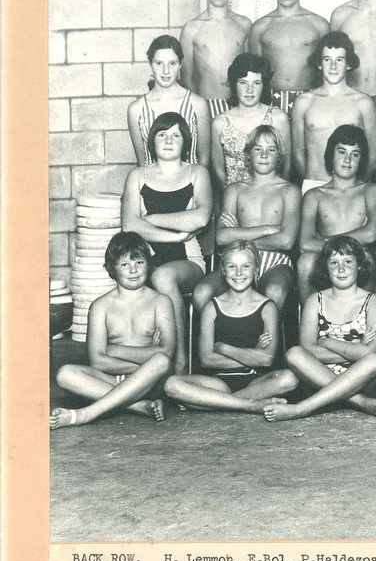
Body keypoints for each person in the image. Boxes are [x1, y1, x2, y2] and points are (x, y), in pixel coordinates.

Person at [50, 232, 173, 429]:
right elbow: (97, 361)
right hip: (113, 379)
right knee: (65, 374)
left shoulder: (161, 301)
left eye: (139, 262)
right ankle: (138, 406)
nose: (133, 270)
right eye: (125, 264)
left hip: (151, 383)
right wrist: (145, 360)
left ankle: (86, 414)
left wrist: (114, 350)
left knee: (161, 361)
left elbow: (166, 353)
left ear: (148, 265)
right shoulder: (100, 306)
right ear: (113, 267)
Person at [121, 112, 213, 374]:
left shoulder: (197, 173)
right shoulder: (138, 176)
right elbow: (129, 225)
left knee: (163, 277)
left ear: (186, 141)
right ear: (152, 141)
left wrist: (151, 219)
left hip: (187, 261)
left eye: (176, 135)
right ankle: (137, 365)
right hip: (146, 259)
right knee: (133, 274)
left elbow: (201, 216)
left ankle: (180, 361)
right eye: (162, 134)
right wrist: (174, 234)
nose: (169, 140)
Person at [163, 241, 298, 414]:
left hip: (256, 382)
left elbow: (266, 360)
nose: (239, 273)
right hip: (219, 383)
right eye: (232, 267)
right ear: (223, 270)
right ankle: (250, 405)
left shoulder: (267, 307)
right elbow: (206, 359)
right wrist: (252, 354)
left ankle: (214, 403)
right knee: (172, 384)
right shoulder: (211, 307)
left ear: (256, 269)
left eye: (246, 266)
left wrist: (222, 347)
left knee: (289, 378)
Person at [265, 236, 376, 420]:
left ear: (360, 265)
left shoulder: (374, 302)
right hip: (318, 375)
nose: (341, 269)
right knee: (294, 354)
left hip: (360, 378)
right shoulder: (316, 300)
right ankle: (358, 401)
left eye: (348, 261)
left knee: (374, 362)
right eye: (334, 263)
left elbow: (370, 353)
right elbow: (306, 349)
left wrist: (326, 342)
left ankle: (301, 408)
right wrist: (356, 350)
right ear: (325, 268)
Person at [193, 124, 300, 316]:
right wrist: (269, 228)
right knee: (202, 293)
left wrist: (239, 236)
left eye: (271, 149)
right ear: (248, 155)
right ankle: (220, 340)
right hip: (235, 258)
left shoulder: (289, 191)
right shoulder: (235, 190)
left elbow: (286, 241)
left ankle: (266, 344)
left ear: (280, 155)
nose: (264, 155)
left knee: (274, 291)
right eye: (258, 149)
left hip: (274, 261)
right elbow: (221, 237)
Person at [297, 126, 376, 303]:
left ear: (361, 160)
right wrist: (340, 247)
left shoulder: (371, 190)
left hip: (359, 258)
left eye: (355, 154)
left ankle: (364, 319)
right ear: (331, 155)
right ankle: (310, 321)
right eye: (342, 152)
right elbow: (305, 243)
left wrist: (327, 242)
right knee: (305, 262)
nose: (348, 160)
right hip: (325, 260)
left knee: (367, 258)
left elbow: (371, 233)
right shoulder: (315, 195)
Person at [291, 31, 376, 190]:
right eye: (327, 60)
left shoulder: (363, 102)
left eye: (339, 60)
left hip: (352, 188)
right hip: (315, 185)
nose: (333, 66)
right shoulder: (303, 102)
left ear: (349, 64)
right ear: (319, 63)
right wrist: (314, 188)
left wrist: (356, 187)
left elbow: (373, 157)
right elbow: (297, 156)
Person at [247, 0, 330, 112]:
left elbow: (328, 70)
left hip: (311, 99)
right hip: (270, 101)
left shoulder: (319, 25)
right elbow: (254, 74)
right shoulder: (260, 27)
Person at [179, 0, 252, 117]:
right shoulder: (191, 29)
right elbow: (187, 78)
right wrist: (197, 111)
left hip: (240, 105)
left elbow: (251, 71)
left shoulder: (244, 25)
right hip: (206, 104)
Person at [209, 53, 292, 189]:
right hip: (233, 196)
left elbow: (286, 166)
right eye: (243, 83)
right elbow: (218, 170)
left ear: (263, 85)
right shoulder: (220, 122)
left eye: (256, 83)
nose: (249, 90)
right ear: (234, 84)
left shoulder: (278, 118)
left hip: (271, 195)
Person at [127, 35, 211, 167]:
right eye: (159, 63)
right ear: (150, 64)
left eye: (172, 63)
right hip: (153, 184)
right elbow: (142, 164)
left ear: (180, 64)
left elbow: (204, 161)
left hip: (191, 182)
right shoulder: (136, 110)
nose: (166, 71)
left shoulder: (198, 105)